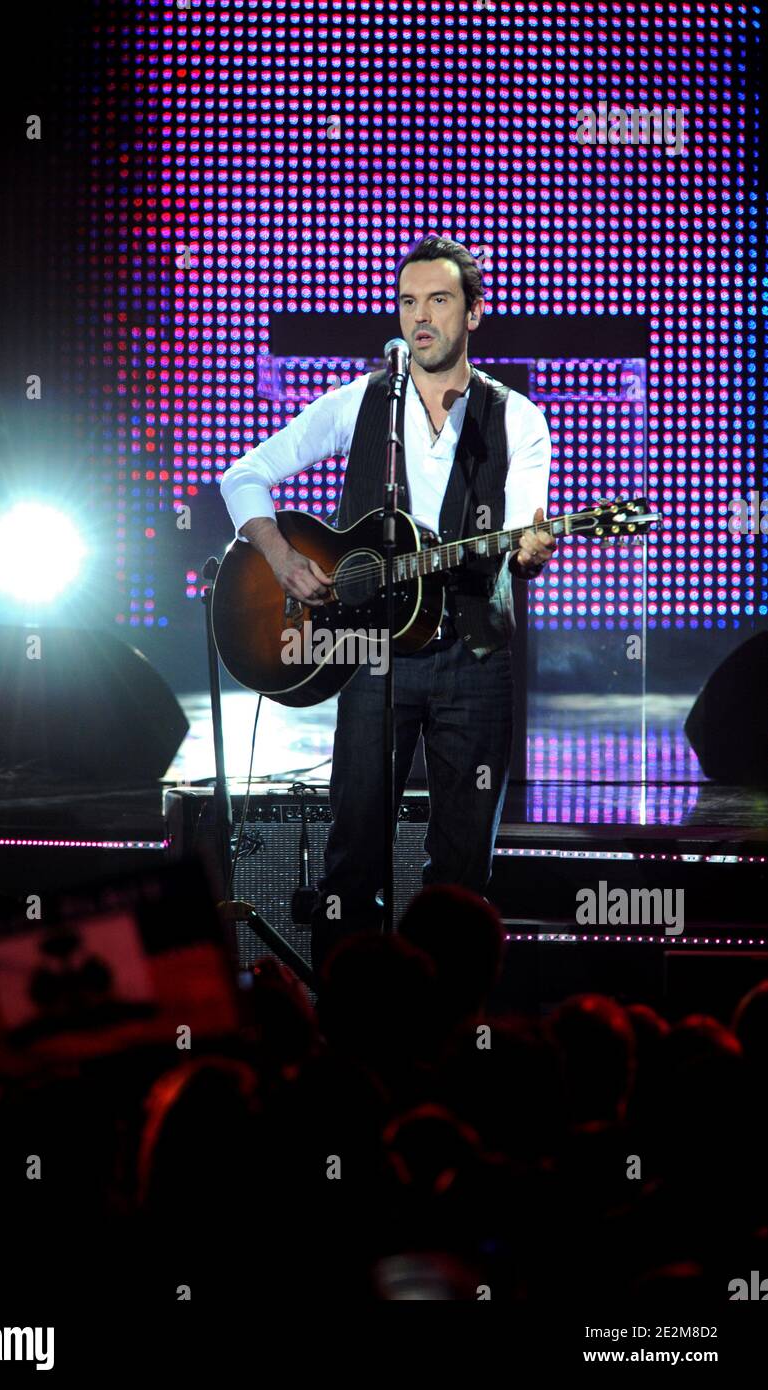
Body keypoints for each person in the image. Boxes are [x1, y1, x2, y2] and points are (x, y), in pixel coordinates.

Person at [220, 235, 555, 977]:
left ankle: (445, 1034)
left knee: (461, 871)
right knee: (352, 860)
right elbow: (244, 474)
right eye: (408, 302)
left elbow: (527, 518)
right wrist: (280, 554)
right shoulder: (362, 401)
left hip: (473, 657)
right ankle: (348, 1036)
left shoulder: (515, 418)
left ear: (473, 312)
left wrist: (532, 545)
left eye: (439, 300)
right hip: (371, 655)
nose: (421, 317)